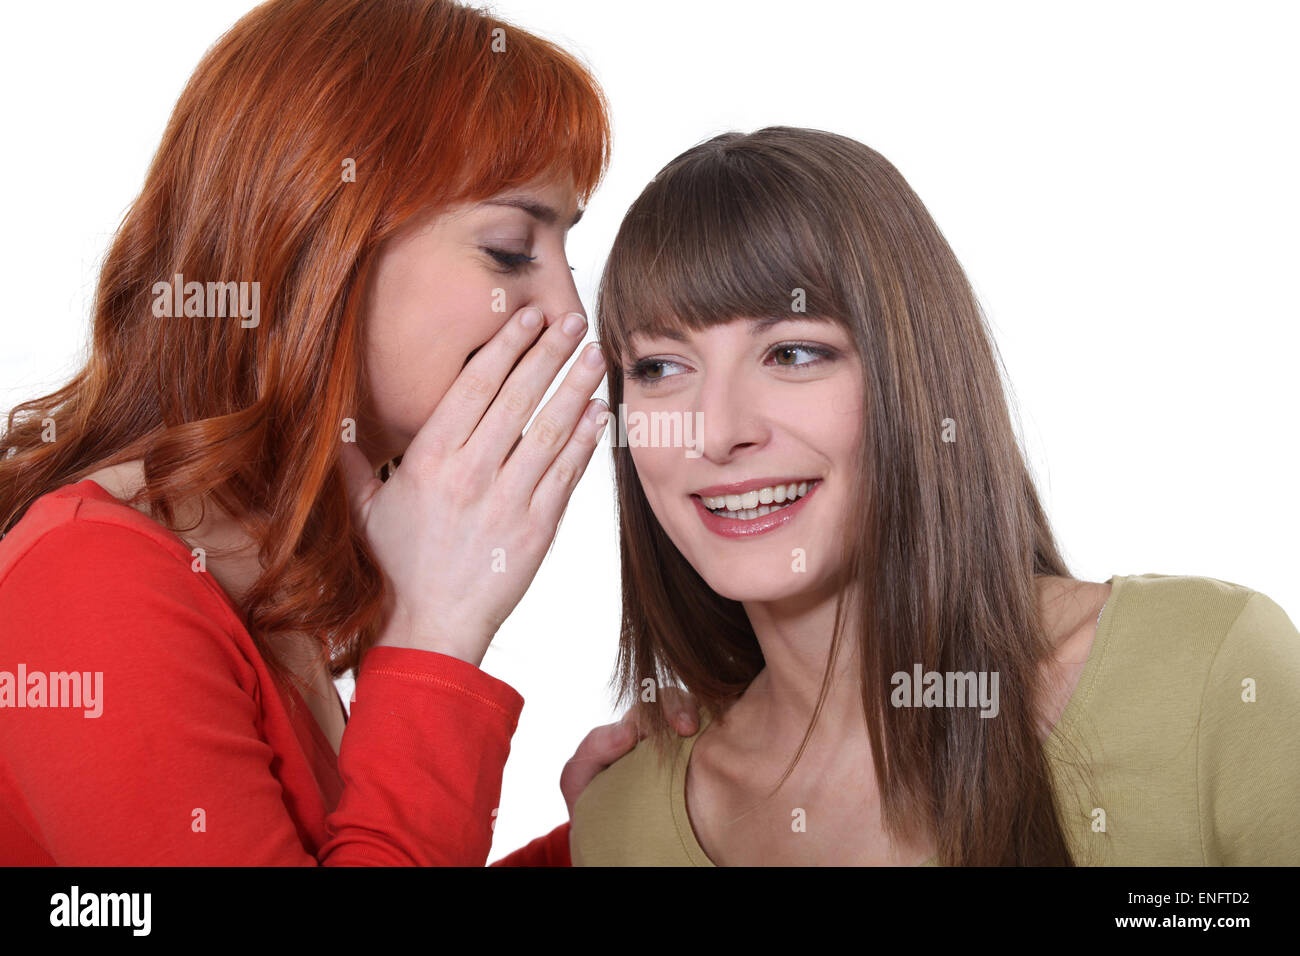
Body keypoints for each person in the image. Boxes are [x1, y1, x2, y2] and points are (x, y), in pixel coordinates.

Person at [0, 0, 698, 866]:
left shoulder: (254, 564)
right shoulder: (91, 581)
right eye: (512, 250)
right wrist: (435, 642)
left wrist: (610, 840)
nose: (563, 308)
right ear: (316, 242)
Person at [570, 126, 1300, 866]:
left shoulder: (1208, 671)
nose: (718, 431)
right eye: (661, 368)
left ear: (913, 376)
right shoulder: (621, 825)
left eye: (792, 353)